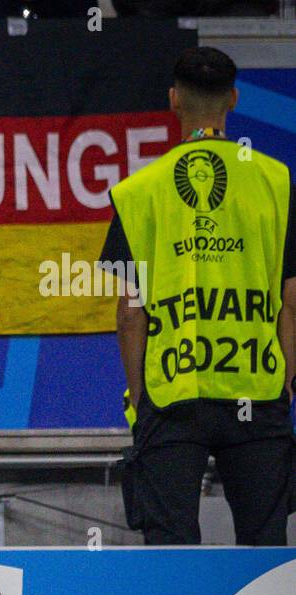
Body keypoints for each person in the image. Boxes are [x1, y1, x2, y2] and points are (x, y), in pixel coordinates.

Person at [102, 47, 296, 545]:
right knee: (264, 547)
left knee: (169, 549)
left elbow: (130, 314)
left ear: (173, 99)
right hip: (256, 389)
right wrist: (286, 384)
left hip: (172, 393)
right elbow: (292, 299)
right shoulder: (275, 181)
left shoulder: (141, 190)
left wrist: (141, 399)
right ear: (233, 99)